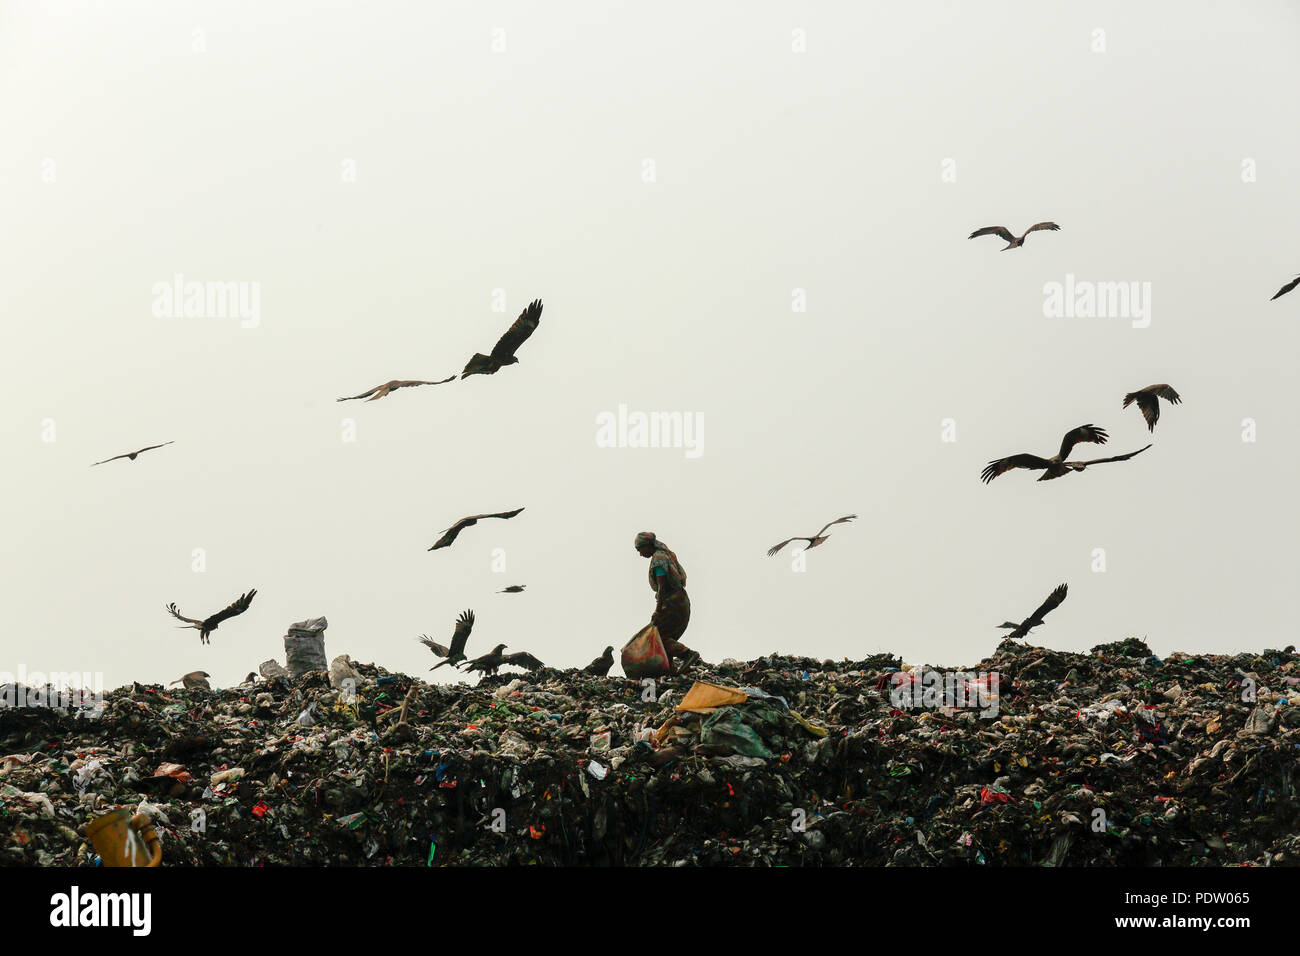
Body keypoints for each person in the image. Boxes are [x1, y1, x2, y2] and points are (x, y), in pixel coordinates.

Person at [634, 531, 697, 671]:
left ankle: (687, 655)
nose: (640, 554)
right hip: (681, 600)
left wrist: (657, 611)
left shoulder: (658, 560)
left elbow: (662, 587)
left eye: (640, 549)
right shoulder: (666, 555)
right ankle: (670, 669)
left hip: (673, 602)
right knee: (668, 635)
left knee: (659, 637)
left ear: (648, 545)